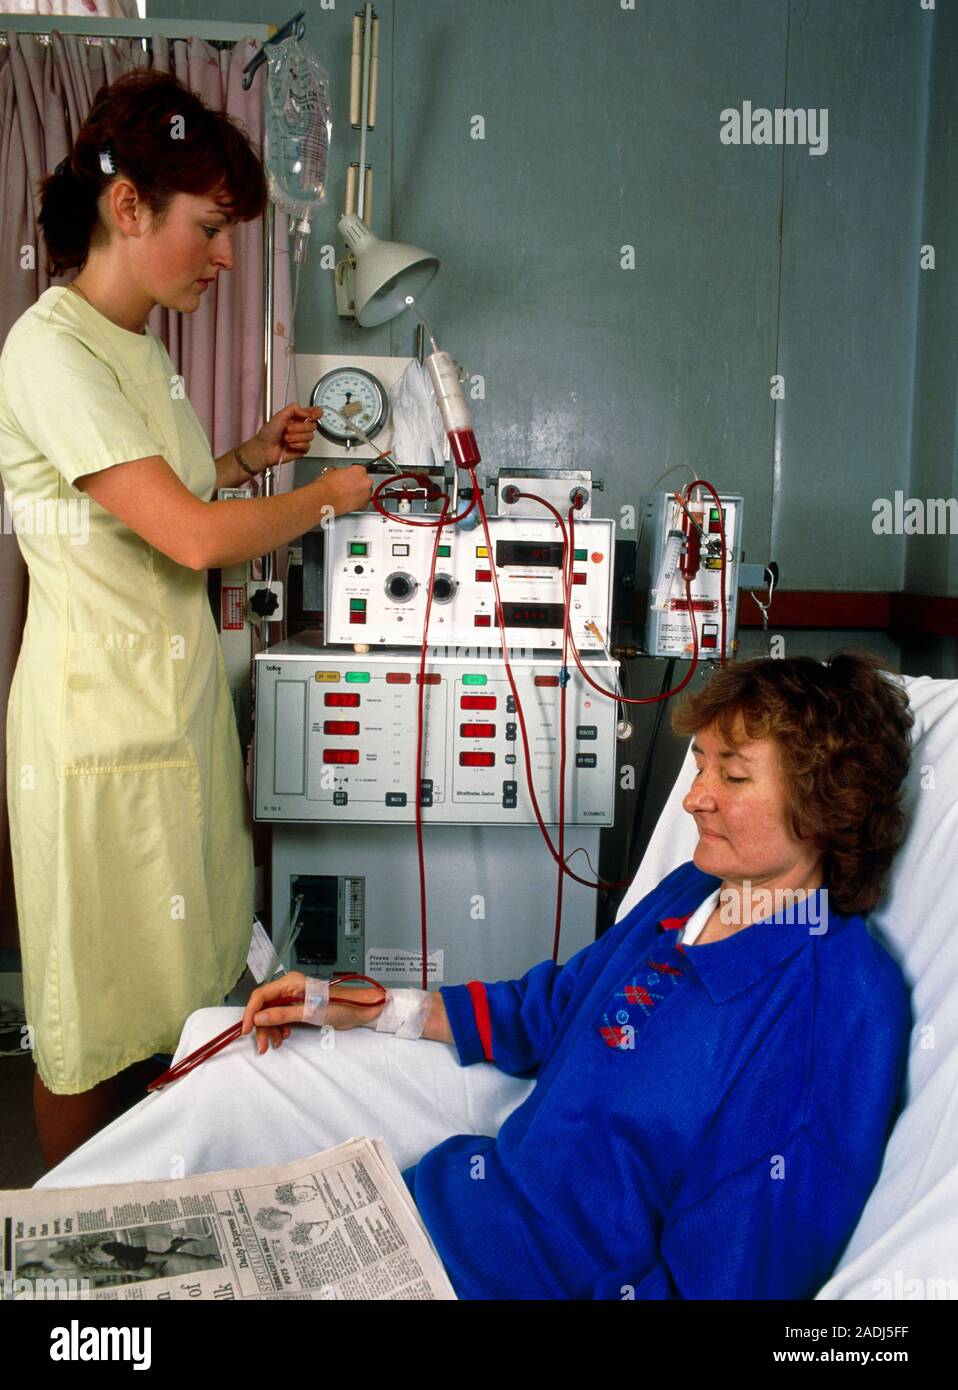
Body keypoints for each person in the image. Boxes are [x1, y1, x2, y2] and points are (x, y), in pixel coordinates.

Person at [35, 652, 915, 1300]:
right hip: (439, 1213)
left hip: (498, 1287)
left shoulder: (832, 1007)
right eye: (697, 769)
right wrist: (352, 1007)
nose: (693, 799)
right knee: (104, 1269)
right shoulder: (698, 890)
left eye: (732, 775)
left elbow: (736, 1276)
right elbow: (552, 1010)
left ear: (826, 797)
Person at [0, 70, 372, 1168]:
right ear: (128, 209)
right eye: (209, 229)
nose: (222, 256)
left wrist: (253, 457)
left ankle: (164, 1218)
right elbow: (193, 537)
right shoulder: (49, 350)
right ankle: (71, 1233)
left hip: (176, 725)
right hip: (97, 741)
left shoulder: (143, 349)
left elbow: (159, 492)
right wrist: (320, 500)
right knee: (85, 1031)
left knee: (182, 1007)